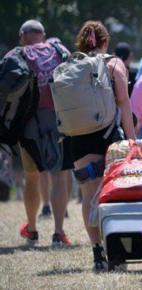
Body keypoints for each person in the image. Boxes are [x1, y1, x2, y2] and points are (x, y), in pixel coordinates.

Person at [66, 21, 135, 271]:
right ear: (105, 41)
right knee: (111, 194)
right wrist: (132, 139)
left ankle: (97, 251)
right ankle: (114, 248)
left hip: (78, 136)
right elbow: (124, 103)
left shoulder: (72, 65)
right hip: (107, 136)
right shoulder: (114, 64)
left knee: (88, 195)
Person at [12, 20, 73, 247]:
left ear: (23, 36)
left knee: (32, 177)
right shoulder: (59, 51)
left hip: (29, 125)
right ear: (43, 35)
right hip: (58, 121)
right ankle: (58, 233)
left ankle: (32, 230)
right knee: (59, 176)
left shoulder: (17, 55)